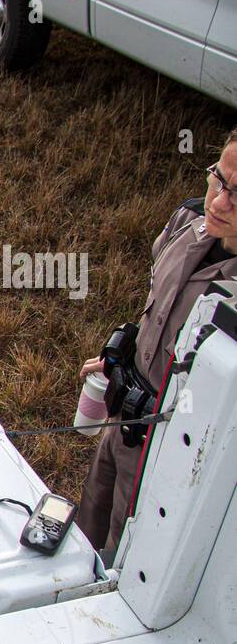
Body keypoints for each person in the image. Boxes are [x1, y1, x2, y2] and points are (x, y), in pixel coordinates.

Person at [77, 127, 237, 556]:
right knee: (87, 521)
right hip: (122, 418)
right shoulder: (187, 222)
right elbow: (160, 307)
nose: (219, 202)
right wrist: (125, 358)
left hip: (173, 449)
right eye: (219, 180)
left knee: (124, 555)